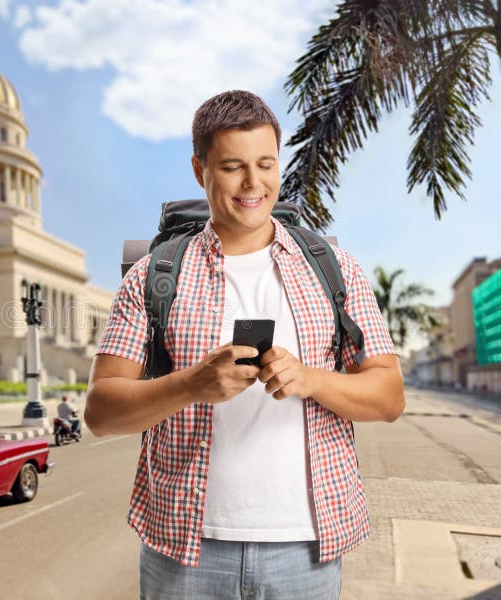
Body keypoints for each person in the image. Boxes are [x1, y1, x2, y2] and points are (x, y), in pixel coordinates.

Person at [85, 90, 404, 599]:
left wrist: (310, 379)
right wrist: (192, 384)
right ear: (200, 170)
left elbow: (389, 396)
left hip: (305, 549)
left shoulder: (335, 270)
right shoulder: (154, 275)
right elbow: (100, 411)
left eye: (266, 164)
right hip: (184, 550)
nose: (253, 183)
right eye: (233, 167)